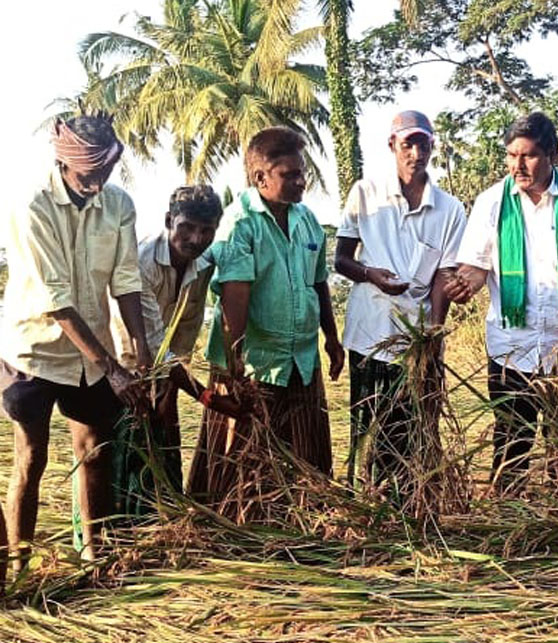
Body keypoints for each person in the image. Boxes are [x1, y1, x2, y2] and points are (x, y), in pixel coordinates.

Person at [1, 113, 152, 562]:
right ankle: (19, 562)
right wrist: (113, 368)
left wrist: (140, 353)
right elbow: (55, 298)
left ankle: (95, 557)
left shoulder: (119, 204)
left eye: (106, 170)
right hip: (34, 350)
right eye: (90, 172)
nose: (98, 181)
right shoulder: (31, 204)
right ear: (64, 161)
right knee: (32, 458)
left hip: (90, 357)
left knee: (95, 453)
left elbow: (126, 280)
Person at [445, 112, 558, 494]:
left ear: (552, 154)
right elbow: (475, 266)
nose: (517, 165)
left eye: (529, 156)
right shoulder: (491, 202)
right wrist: (463, 286)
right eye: (511, 155)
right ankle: (509, 515)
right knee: (511, 441)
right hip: (511, 346)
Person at [188, 127, 344, 514]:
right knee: (243, 464)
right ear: (261, 178)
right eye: (289, 174)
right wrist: (235, 369)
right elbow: (234, 302)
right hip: (255, 364)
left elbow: (318, 282)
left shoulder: (307, 220)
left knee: (308, 461)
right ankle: (235, 530)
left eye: (301, 172)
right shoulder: (240, 224)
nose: (301, 181)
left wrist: (332, 338)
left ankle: (304, 527)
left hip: (303, 359)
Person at [334, 110, 467, 485]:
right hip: (369, 332)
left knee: (412, 425)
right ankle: (364, 493)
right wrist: (371, 275)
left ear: (432, 147)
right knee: (366, 420)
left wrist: (434, 337)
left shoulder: (450, 209)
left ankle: (406, 500)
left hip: (416, 339)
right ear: (392, 146)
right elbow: (342, 260)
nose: (415, 153)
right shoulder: (365, 193)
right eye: (407, 143)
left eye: (422, 144)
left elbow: (445, 275)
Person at [108, 185, 227, 508]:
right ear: (168, 221)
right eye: (187, 227)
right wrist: (205, 396)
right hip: (122, 367)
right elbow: (151, 343)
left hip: (165, 368)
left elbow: (184, 332)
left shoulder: (202, 266)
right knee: (123, 453)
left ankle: (162, 520)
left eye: (207, 231)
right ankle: (116, 534)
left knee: (164, 445)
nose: (196, 239)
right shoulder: (143, 260)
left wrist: (170, 391)